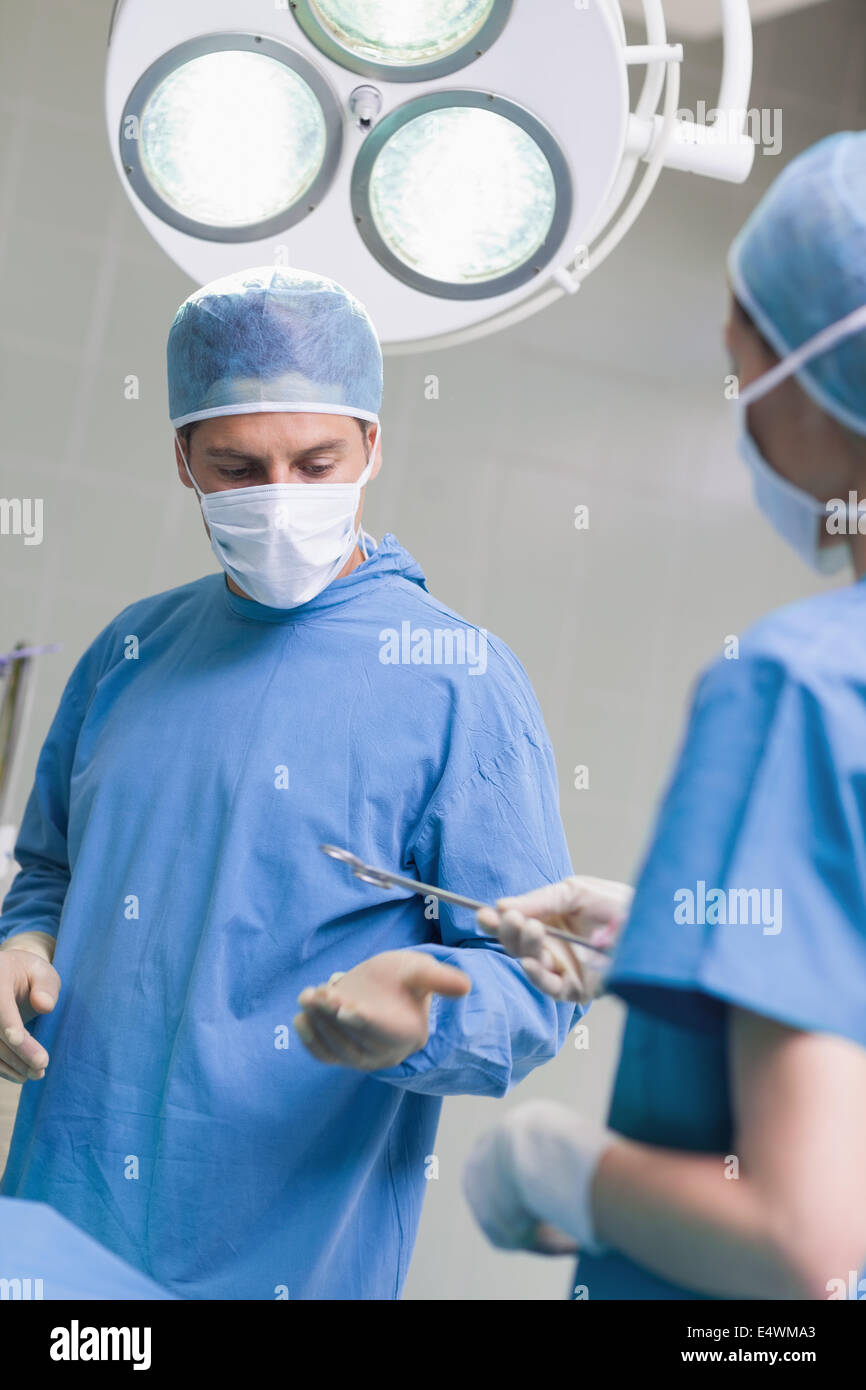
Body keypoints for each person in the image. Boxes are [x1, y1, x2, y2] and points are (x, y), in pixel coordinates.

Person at [0, 266, 577, 1300]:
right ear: (181, 457)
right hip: (58, 1230)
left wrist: (420, 1023)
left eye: (317, 462)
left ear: (373, 447)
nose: (281, 497)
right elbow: (47, 868)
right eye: (237, 465)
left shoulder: (455, 683)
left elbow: (537, 982)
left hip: (291, 1260)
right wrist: (19, 945)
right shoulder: (131, 650)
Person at [463, 132, 866, 1299]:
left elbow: (803, 1239)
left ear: (808, 373)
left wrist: (551, 1163)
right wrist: (709, 943)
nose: (738, 403)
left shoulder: (803, 682)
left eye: (741, 363)